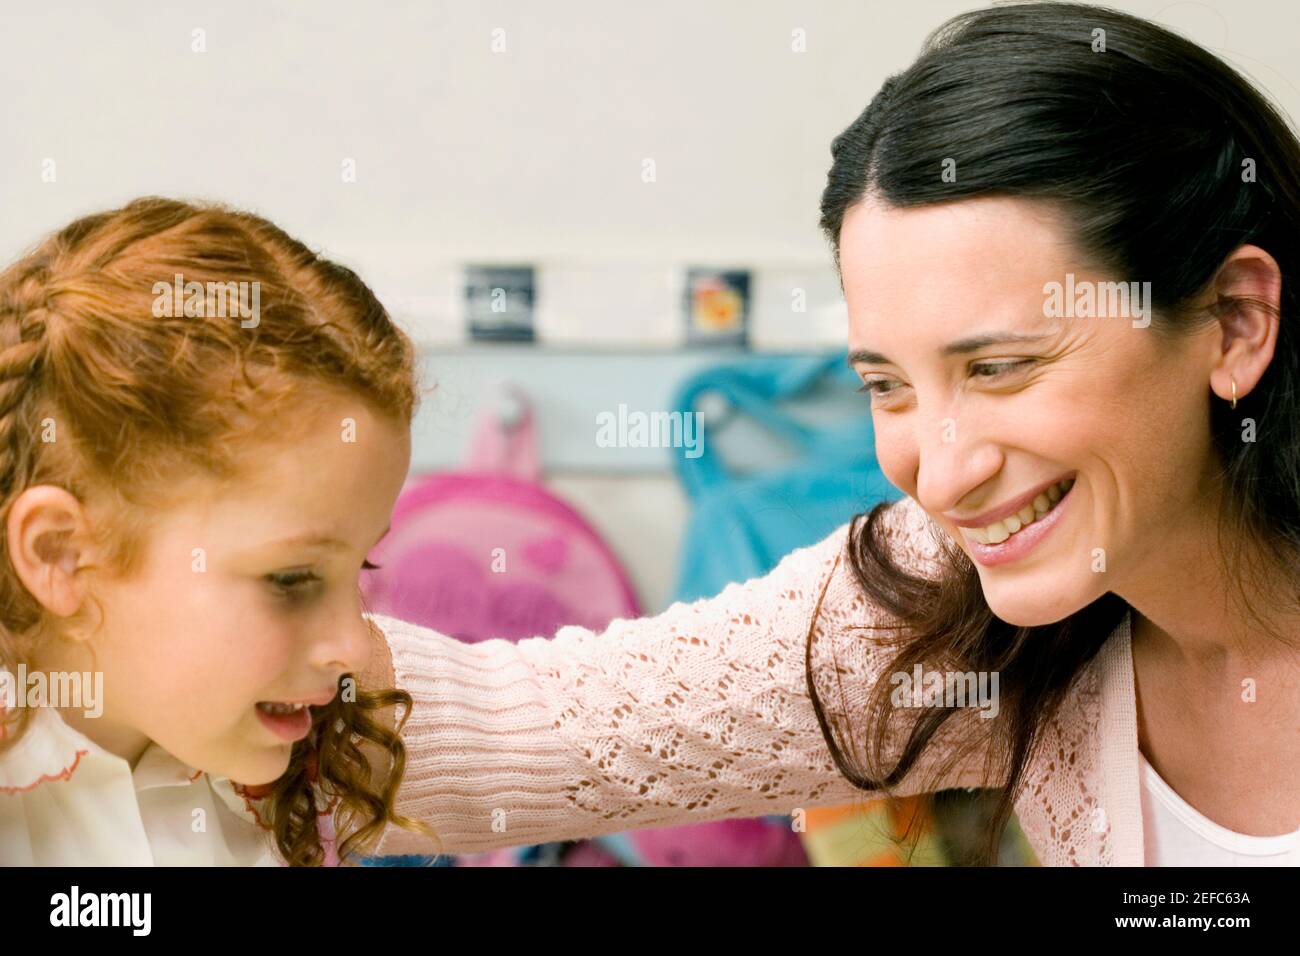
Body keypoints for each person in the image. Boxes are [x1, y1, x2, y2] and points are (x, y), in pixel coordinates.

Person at [3, 2, 1297, 867]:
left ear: (1234, 324)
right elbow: (541, 729)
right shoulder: (942, 621)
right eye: (887, 386)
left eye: (1001, 366)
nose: (938, 469)